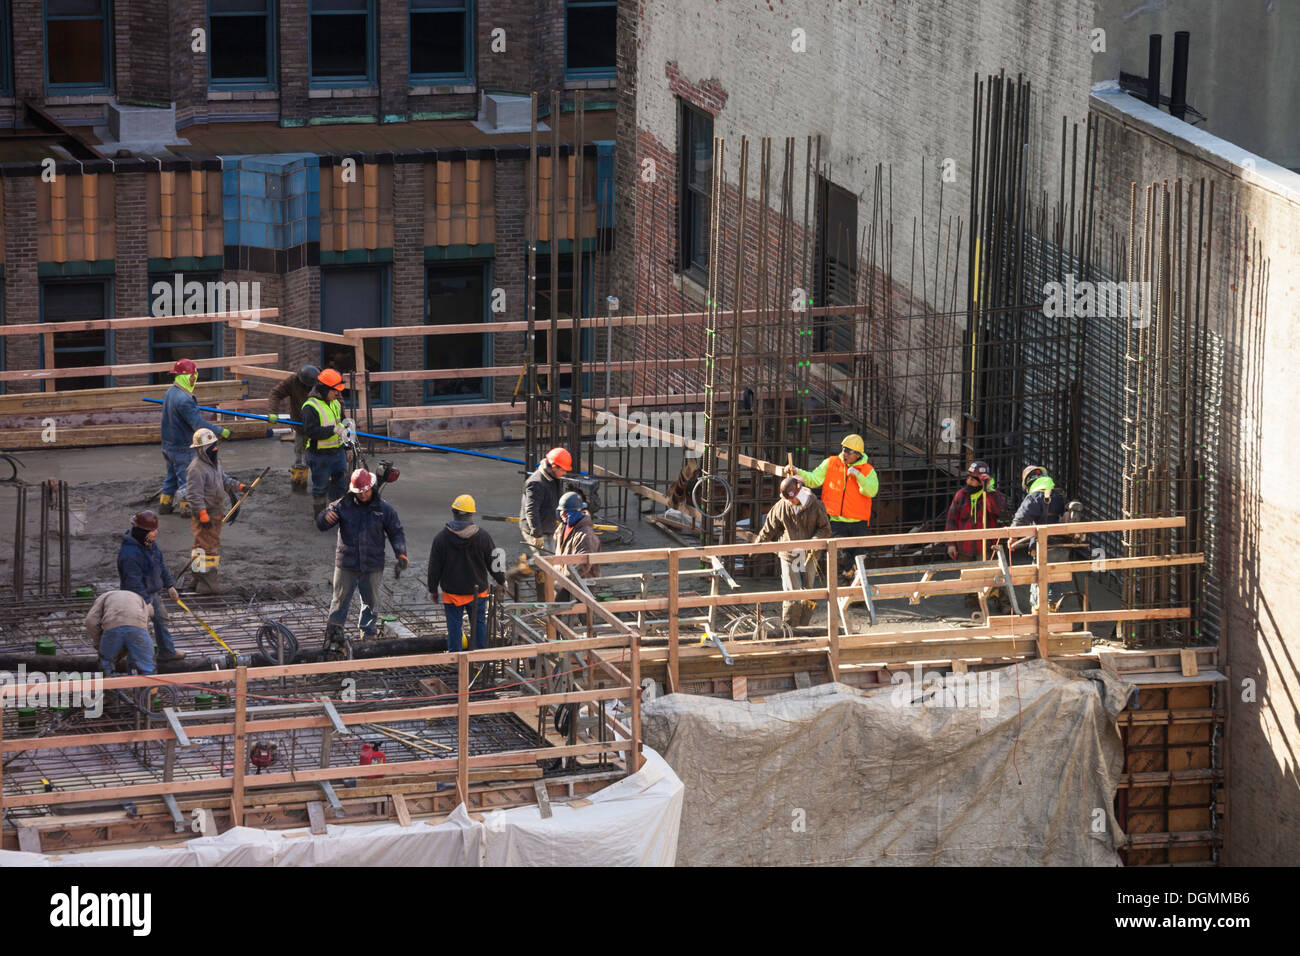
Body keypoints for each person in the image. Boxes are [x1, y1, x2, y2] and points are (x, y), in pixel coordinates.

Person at [318, 468, 407, 644]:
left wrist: (401, 553)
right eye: (360, 492)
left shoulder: (384, 509)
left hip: (372, 564)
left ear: (371, 487)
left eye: (366, 491)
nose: (364, 495)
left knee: (371, 601)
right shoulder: (343, 505)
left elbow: (396, 531)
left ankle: (368, 634)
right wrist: (324, 517)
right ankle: (334, 634)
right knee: (339, 600)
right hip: (347, 564)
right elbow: (322, 523)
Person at [786, 433, 878, 581]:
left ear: (858, 454)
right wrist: (797, 471)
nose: (844, 453)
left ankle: (856, 597)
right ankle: (844, 587)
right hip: (835, 521)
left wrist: (858, 476)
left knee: (859, 561)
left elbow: (871, 491)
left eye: (848, 451)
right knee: (840, 557)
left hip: (858, 523)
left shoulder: (867, 470)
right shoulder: (831, 463)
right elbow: (814, 479)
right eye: (843, 449)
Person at [427, 494, 506, 652]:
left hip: (452, 593)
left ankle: (455, 660)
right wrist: (501, 580)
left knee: (454, 627)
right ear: (471, 514)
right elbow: (495, 561)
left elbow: (434, 567)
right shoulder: (483, 536)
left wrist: (433, 590)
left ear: (454, 512)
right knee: (478, 625)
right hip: (477, 592)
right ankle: (479, 659)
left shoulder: (441, 538)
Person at [755, 476, 831, 627]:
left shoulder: (815, 505)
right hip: (790, 553)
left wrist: (814, 541)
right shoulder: (782, 506)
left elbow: (825, 529)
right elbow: (768, 528)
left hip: (809, 554)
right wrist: (755, 547)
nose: (790, 502)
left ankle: (803, 627)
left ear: (799, 493)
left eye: (792, 499)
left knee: (808, 592)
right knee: (793, 593)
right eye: (787, 499)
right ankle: (790, 628)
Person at [159, 358, 228, 517]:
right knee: (186, 479)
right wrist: (220, 430)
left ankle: (165, 504)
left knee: (171, 478)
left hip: (168, 445)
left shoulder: (170, 392)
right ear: (186, 376)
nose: (194, 379)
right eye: (192, 376)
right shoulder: (185, 400)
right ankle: (187, 509)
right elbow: (198, 424)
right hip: (182, 446)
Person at [116, 510, 186, 663]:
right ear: (142, 532)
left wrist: (170, 585)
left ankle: (167, 652)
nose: (156, 533)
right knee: (139, 629)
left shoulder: (149, 545)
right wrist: (146, 602)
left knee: (161, 621)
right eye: (152, 530)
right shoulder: (129, 553)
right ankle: (135, 660)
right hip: (136, 598)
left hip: (153, 594)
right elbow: (133, 582)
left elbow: (159, 565)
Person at [185, 427, 247, 595]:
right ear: (202, 449)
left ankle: (197, 578)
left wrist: (239, 486)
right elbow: (194, 495)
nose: (215, 449)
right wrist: (203, 515)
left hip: (215, 512)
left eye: (215, 444)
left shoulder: (214, 463)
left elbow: (223, 480)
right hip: (205, 515)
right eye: (211, 446)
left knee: (201, 546)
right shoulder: (196, 469)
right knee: (208, 547)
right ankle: (208, 585)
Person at [1009, 464, 1068, 610]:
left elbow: (1020, 519)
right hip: (1062, 547)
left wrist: (1012, 537)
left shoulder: (1034, 497)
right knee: (1055, 580)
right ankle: (1052, 609)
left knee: (1038, 581)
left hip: (1043, 547)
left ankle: (1038, 614)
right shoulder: (1060, 496)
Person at [517, 447, 571, 595]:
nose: (565, 473)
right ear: (554, 466)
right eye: (563, 470)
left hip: (548, 526)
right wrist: (537, 535)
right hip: (535, 529)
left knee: (551, 561)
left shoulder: (554, 478)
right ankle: (518, 575)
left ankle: (545, 594)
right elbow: (531, 511)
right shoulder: (536, 483)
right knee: (546, 565)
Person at [300, 367, 350, 518]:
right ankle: (321, 517)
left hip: (338, 453)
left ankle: (336, 513)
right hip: (319, 456)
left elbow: (344, 425)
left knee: (339, 486)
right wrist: (333, 430)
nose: (337, 393)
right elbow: (311, 432)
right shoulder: (310, 407)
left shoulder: (336, 403)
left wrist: (347, 447)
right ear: (324, 388)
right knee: (320, 488)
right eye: (334, 390)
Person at [268, 364, 318, 492]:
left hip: (319, 428)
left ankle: (322, 485)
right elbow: (276, 393)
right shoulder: (293, 381)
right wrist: (273, 412)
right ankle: (299, 484)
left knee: (320, 456)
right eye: (305, 386)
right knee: (299, 454)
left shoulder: (322, 382)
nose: (308, 389)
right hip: (300, 425)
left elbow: (338, 400)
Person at [945, 461, 1008, 562]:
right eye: (968, 478)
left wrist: (987, 490)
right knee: (966, 576)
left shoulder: (991, 495)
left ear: (980, 482)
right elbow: (951, 521)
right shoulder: (961, 495)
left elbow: (996, 510)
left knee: (985, 576)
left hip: (986, 548)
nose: (968, 482)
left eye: (972, 480)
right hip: (964, 548)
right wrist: (951, 544)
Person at [85, 588, 156, 676]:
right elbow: (143, 625)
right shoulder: (139, 598)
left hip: (112, 625)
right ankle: (150, 687)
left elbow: (90, 621)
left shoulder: (103, 597)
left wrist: (98, 642)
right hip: (138, 626)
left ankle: (109, 685)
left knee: (106, 661)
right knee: (146, 662)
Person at [552, 491, 600, 602]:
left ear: (576, 512)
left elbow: (582, 566)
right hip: (564, 579)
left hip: (581, 583)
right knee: (554, 609)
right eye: (561, 511)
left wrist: (563, 582)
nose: (562, 515)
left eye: (566, 512)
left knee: (582, 613)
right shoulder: (562, 529)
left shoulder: (585, 535)